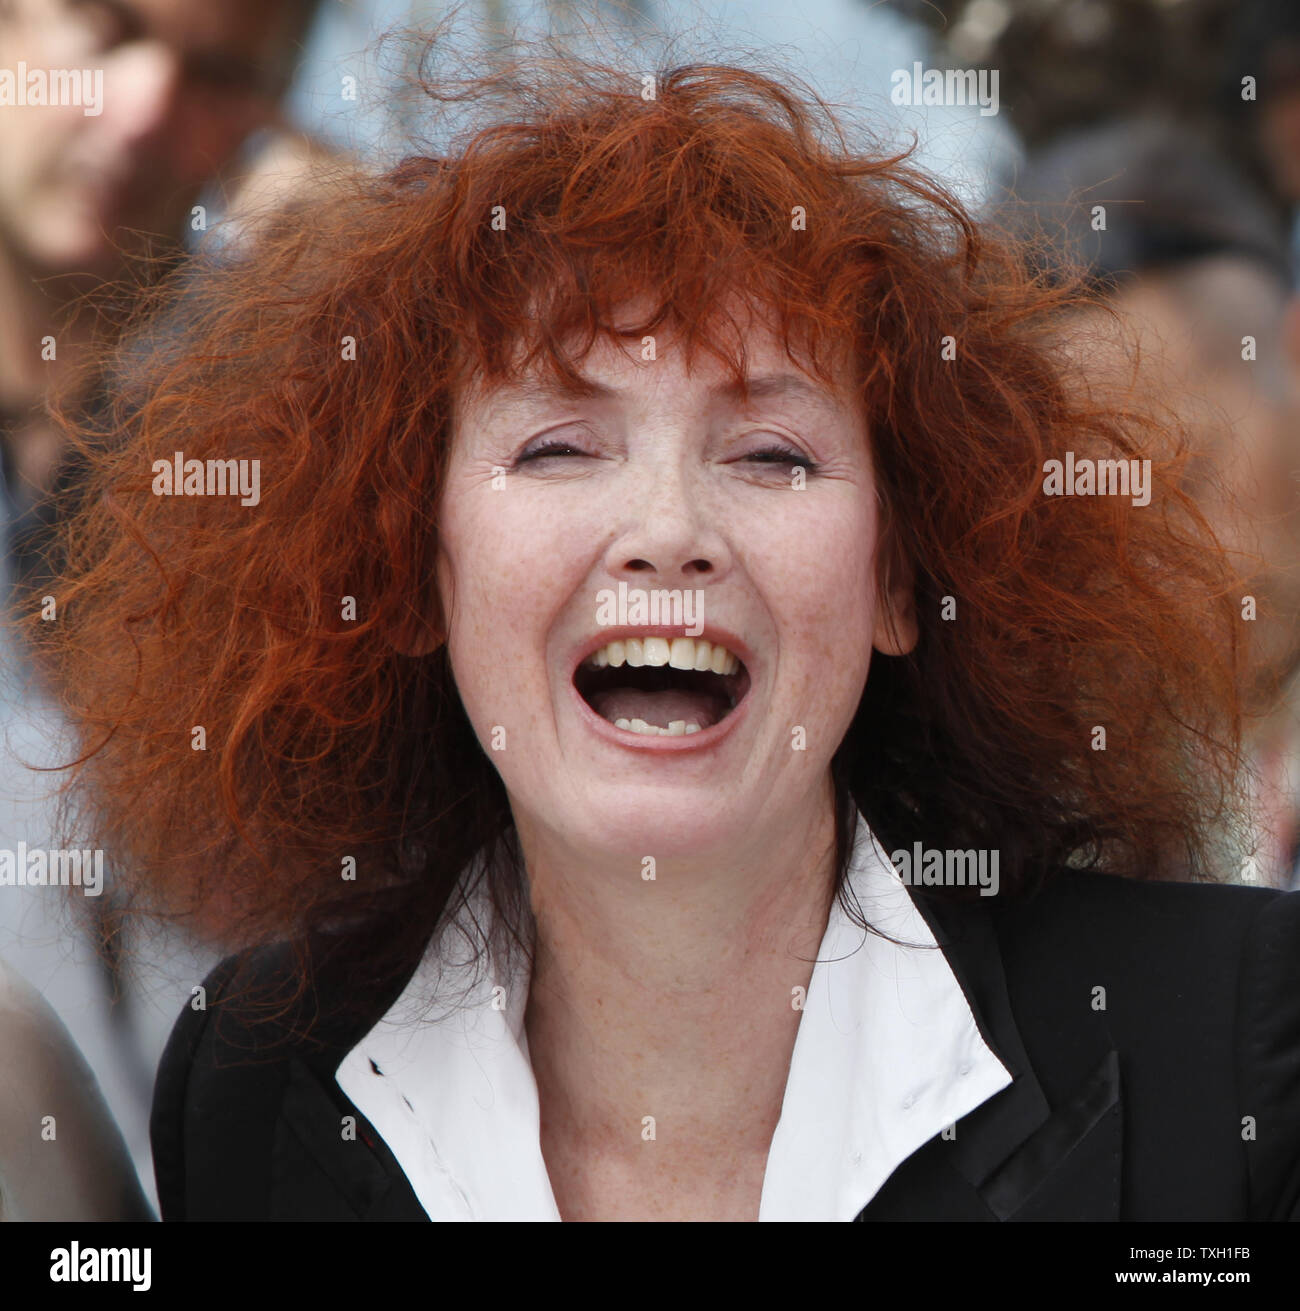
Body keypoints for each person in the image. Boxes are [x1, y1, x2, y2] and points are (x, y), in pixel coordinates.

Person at [25, 38, 1300, 1221]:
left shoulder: (1234, 1030)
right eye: (559, 445)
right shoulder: (251, 1087)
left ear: (902, 584)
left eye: (770, 453)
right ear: (408, 573)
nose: (668, 528)